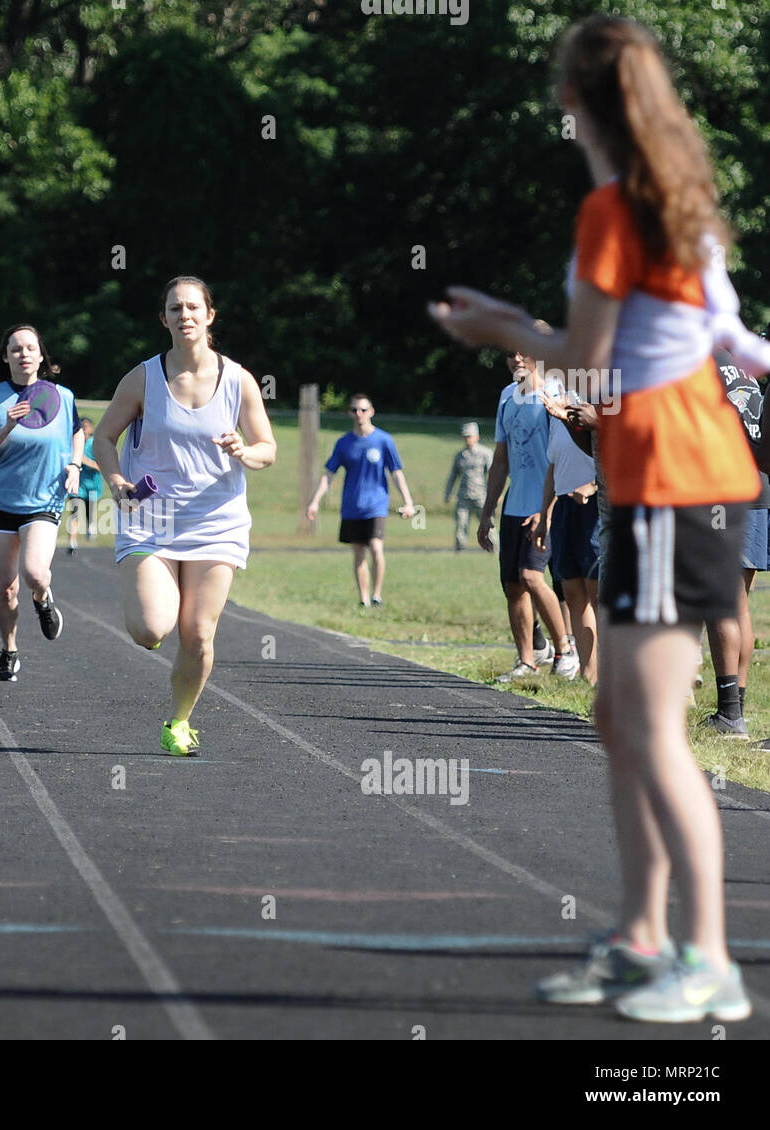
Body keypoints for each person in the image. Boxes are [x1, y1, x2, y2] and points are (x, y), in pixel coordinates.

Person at [430, 13, 770, 1022]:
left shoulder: (617, 215)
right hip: (675, 483)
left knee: (651, 726)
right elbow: (733, 339)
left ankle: (703, 955)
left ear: (572, 99)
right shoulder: (683, 208)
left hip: (675, 483)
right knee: (618, 715)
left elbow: (583, 360)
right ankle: (637, 937)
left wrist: (498, 328)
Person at [93, 276, 275, 756]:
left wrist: (244, 450)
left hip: (216, 521)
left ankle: (178, 721)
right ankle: (155, 612)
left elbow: (267, 449)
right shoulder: (143, 378)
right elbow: (103, 438)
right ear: (164, 319)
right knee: (151, 628)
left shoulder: (238, 380)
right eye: (175, 308)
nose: (185, 315)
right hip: (150, 517)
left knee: (198, 634)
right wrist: (115, 483)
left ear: (210, 315)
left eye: (193, 307)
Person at [0, 324, 84, 681]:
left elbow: (76, 431)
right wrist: (6, 427)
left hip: (44, 499)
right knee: (5, 588)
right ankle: (9, 651)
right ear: (5, 356)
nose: (24, 354)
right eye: (15, 349)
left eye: (30, 347)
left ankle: (42, 598)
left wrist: (76, 465)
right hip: (1, 502)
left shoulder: (62, 397)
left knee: (34, 573)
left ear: (40, 355)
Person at [477, 349, 577, 682]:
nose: (517, 358)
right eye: (510, 353)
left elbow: (564, 454)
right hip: (514, 504)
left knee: (533, 577)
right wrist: (487, 511)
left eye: (524, 352)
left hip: (547, 503)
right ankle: (527, 660)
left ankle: (565, 650)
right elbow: (501, 459)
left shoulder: (555, 392)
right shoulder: (507, 396)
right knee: (512, 584)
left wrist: (545, 509)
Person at [699, 347, 768, 739]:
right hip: (760, 490)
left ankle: (729, 715)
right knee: (738, 600)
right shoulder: (746, 371)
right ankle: (734, 708)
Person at [305, 394, 415, 607]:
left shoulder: (383, 440)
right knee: (358, 552)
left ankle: (377, 595)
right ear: (350, 413)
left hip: (376, 505)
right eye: (355, 410)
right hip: (352, 506)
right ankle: (363, 598)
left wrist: (408, 501)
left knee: (376, 547)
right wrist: (315, 501)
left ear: (371, 412)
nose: (359, 414)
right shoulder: (344, 443)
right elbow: (329, 474)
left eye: (363, 410)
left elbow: (396, 472)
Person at [533, 391, 600, 684]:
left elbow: (614, 450)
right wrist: (544, 514)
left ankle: (608, 671)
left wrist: (594, 486)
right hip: (563, 506)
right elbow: (553, 465)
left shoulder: (599, 398)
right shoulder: (558, 405)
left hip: (593, 505)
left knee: (597, 590)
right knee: (572, 589)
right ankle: (588, 670)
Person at [445, 422, 492, 552]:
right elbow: (453, 476)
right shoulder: (460, 455)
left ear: (477, 436)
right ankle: (460, 550)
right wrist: (448, 493)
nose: (467, 439)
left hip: (481, 495)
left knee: (488, 524)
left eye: (470, 436)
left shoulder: (485, 453)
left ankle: (494, 549)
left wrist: (494, 495)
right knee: (461, 524)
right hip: (463, 495)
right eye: (465, 436)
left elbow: (493, 475)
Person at [66, 416, 103, 555]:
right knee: (74, 513)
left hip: (92, 486)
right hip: (77, 485)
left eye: (86, 427)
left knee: (90, 514)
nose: (83, 430)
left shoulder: (95, 445)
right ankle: (72, 542)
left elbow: (101, 466)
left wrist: (84, 460)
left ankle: (91, 527)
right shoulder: (73, 443)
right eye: (81, 427)